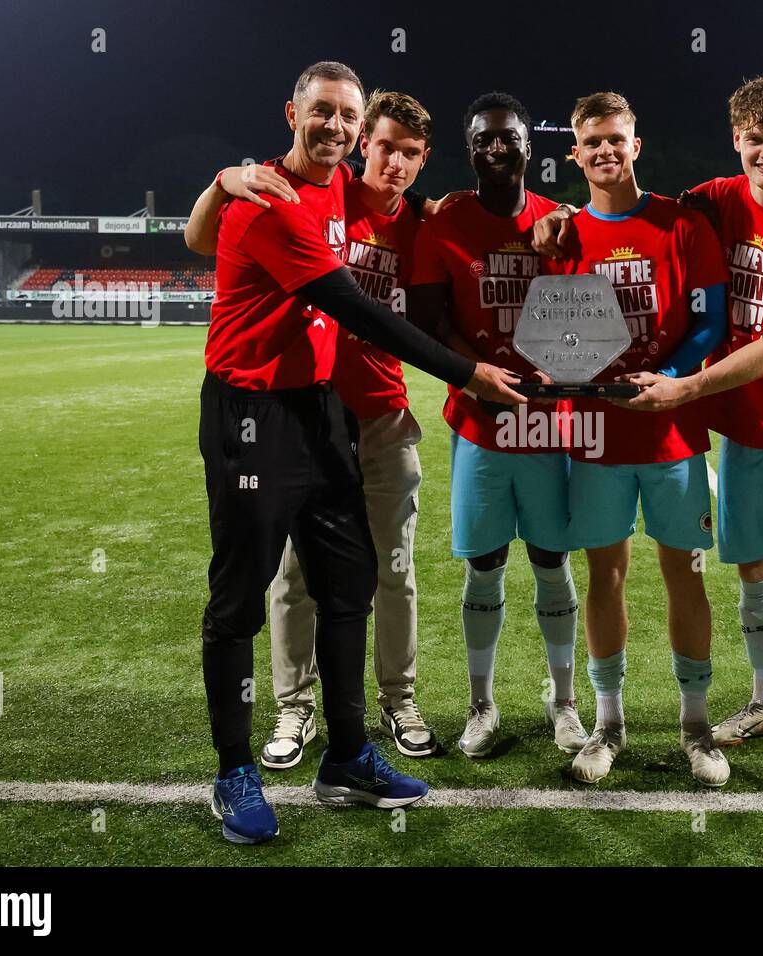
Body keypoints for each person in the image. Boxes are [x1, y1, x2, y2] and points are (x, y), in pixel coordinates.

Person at [187, 61, 523, 844]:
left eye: (347, 116)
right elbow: (356, 310)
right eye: (324, 113)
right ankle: (234, 769)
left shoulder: (340, 185)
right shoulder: (270, 201)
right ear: (292, 113)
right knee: (241, 596)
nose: (336, 128)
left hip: (320, 408)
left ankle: (345, 757)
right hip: (250, 412)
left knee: (350, 584)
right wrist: (469, 372)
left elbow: (388, 207)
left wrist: (435, 204)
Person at [540, 75, 763, 811]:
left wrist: (684, 387)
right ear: (738, 141)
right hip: (741, 431)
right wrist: (561, 213)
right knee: (753, 572)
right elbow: (626, 211)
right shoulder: (715, 201)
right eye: (754, 138)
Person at [190, 91, 443, 767]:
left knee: (389, 572)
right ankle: (294, 709)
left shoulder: (424, 223)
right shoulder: (311, 195)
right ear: (365, 144)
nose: (394, 163)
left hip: (382, 412)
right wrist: (225, 178)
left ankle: (398, 699)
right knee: (292, 575)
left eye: (410, 154)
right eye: (385, 146)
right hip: (301, 413)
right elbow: (201, 236)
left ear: (423, 163)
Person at [543, 92, 732, 787]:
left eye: (616, 139)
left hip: (674, 430)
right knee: (606, 574)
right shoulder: (562, 236)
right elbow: (559, 330)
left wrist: (673, 377)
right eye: (591, 141)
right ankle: (608, 723)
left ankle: (694, 723)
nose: (604, 151)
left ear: (635, 144)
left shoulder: (683, 226)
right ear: (575, 152)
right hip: (596, 434)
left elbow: (709, 325)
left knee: (683, 572)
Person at [406, 92, 588, 759]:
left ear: (527, 146)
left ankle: (564, 702)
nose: (496, 146)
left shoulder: (559, 222)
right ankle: (482, 706)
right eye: (483, 138)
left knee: (550, 560)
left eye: (508, 137)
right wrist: (474, 372)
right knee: (483, 567)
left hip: (546, 425)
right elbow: (429, 319)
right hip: (480, 423)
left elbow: (587, 309)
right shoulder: (446, 223)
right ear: (470, 148)